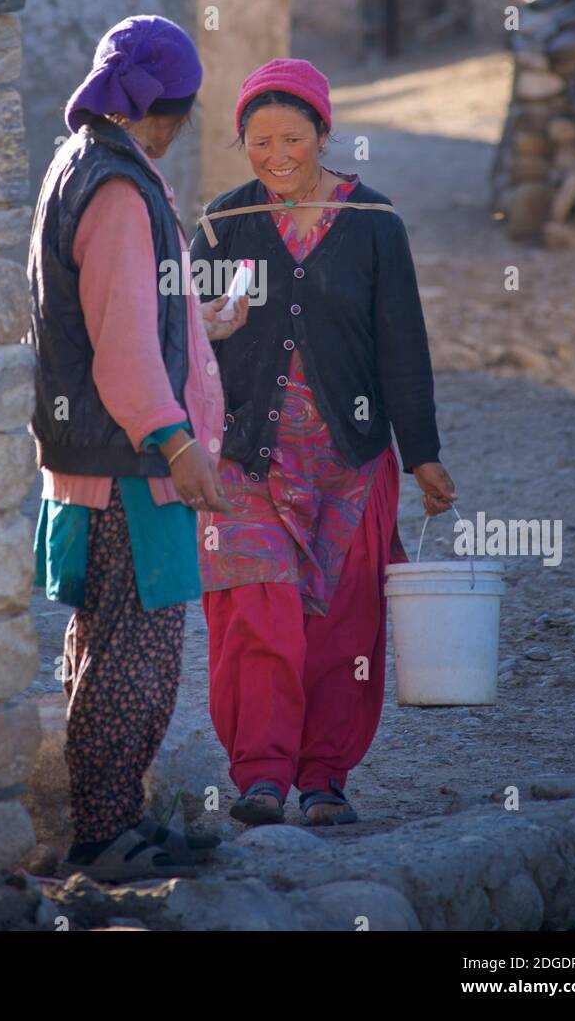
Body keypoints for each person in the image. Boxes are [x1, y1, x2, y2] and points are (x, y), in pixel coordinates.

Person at [189, 57, 457, 827]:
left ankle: (323, 779)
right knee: (256, 614)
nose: (276, 156)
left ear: (324, 134)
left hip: (349, 459)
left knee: (343, 627)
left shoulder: (375, 225)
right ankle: (262, 776)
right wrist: (207, 329)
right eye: (259, 141)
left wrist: (423, 453)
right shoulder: (222, 224)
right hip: (246, 458)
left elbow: (402, 346)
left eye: (293, 139)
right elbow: (183, 339)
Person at [27, 14, 248, 881]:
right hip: (130, 467)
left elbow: (133, 314)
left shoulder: (78, 166)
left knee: (102, 640)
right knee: (140, 649)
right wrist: (177, 444)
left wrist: (207, 323)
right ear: (164, 109)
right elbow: (122, 350)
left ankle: (106, 822)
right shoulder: (120, 190)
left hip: (90, 458)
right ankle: (106, 834)